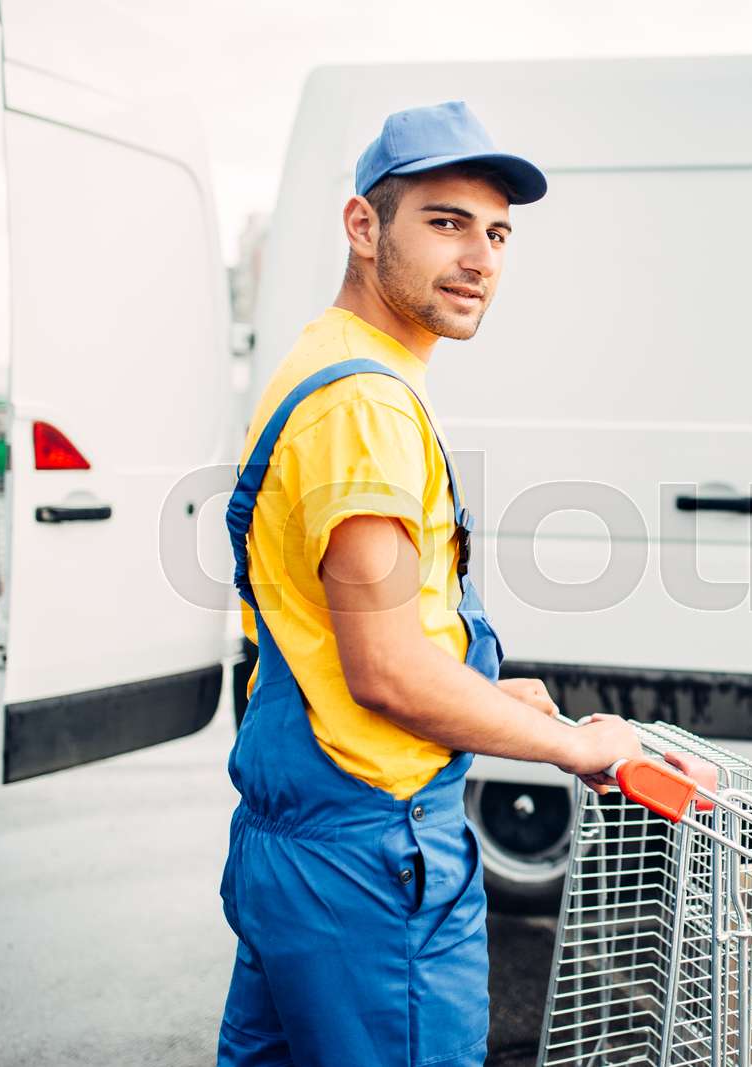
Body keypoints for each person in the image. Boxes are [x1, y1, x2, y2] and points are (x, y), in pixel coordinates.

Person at [217, 100, 643, 1067]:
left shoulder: (326, 363)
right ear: (364, 227)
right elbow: (388, 673)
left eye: (497, 233)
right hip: (372, 859)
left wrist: (483, 692)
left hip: (299, 845)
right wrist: (576, 748)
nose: (481, 258)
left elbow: (348, 637)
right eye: (446, 223)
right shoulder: (364, 405)